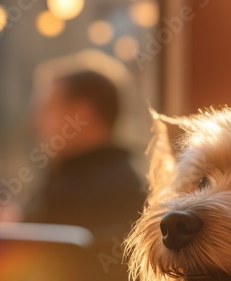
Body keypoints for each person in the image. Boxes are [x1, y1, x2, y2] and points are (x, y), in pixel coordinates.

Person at [23, 49, 146, 239]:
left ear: (82, 115)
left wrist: (11, 234)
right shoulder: (123, 180)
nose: (35, 124)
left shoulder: (87, 194)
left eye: (46, 110)